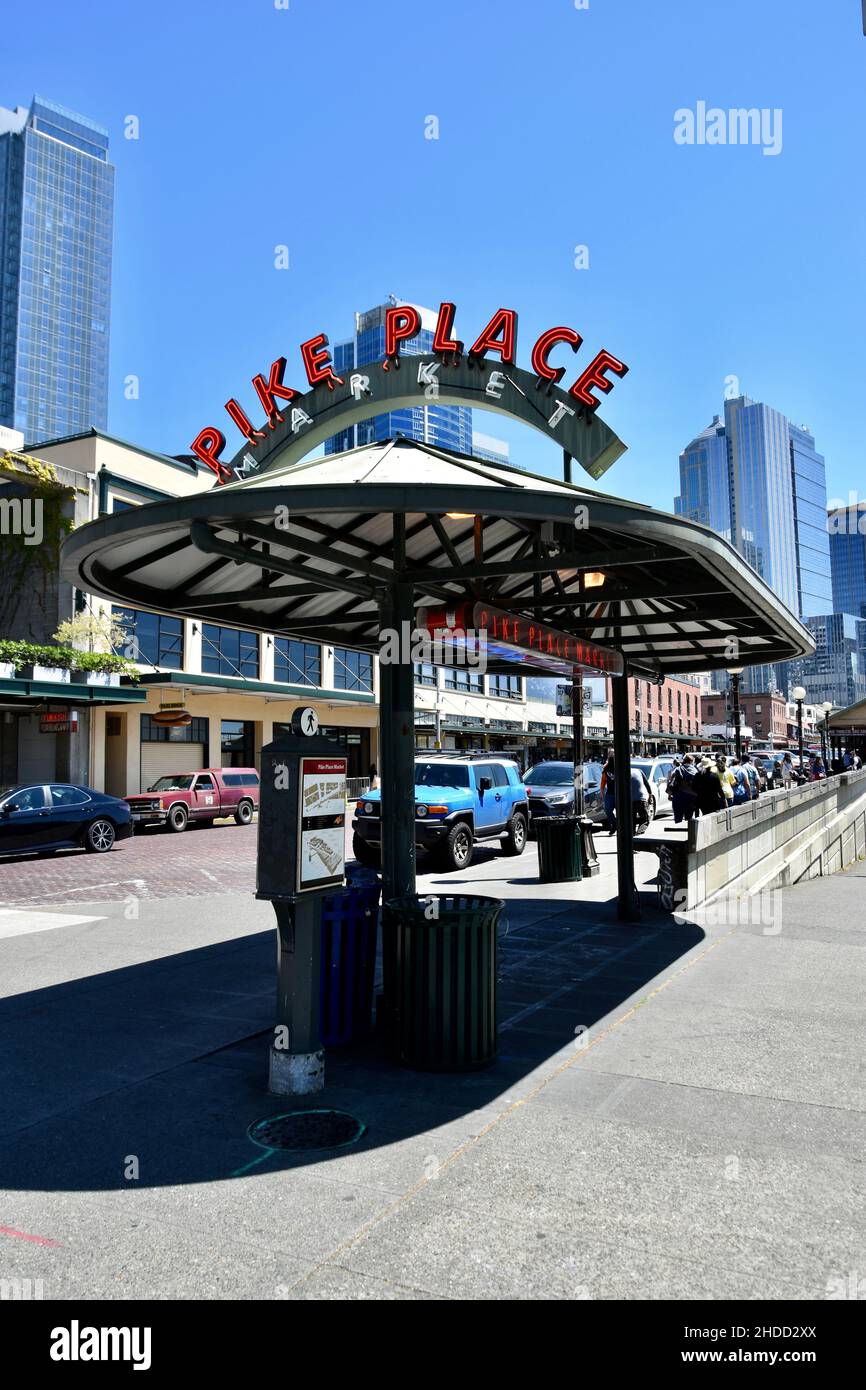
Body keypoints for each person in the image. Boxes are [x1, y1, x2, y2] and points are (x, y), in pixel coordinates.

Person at [668, 753, 699, 822]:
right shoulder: (695, 770)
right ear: (691, 762)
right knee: (688, 819)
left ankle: (678, 831)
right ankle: (689, 832)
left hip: (678, 797)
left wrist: (669, 795)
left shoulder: (677, 769)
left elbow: (671, 783)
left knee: (678, 819)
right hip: (691, 797)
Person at [630, 764, 651, 833]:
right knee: (645, 819)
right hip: (641, 799)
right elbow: (647, 784)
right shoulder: (639, 771)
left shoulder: (623, 772)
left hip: (629, 800)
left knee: (632, 820)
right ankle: (639, 833)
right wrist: (650, 795)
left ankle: (632, 834)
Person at [600, 754, 616, 834]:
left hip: (618, 794)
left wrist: (602, 792)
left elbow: (602, 783)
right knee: (608, 810)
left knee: (608, 810)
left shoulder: (620, 769)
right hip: (610, 794)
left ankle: (616, 825)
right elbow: (603, 782)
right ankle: (614, 824)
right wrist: (602, 792)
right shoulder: (605, 771)